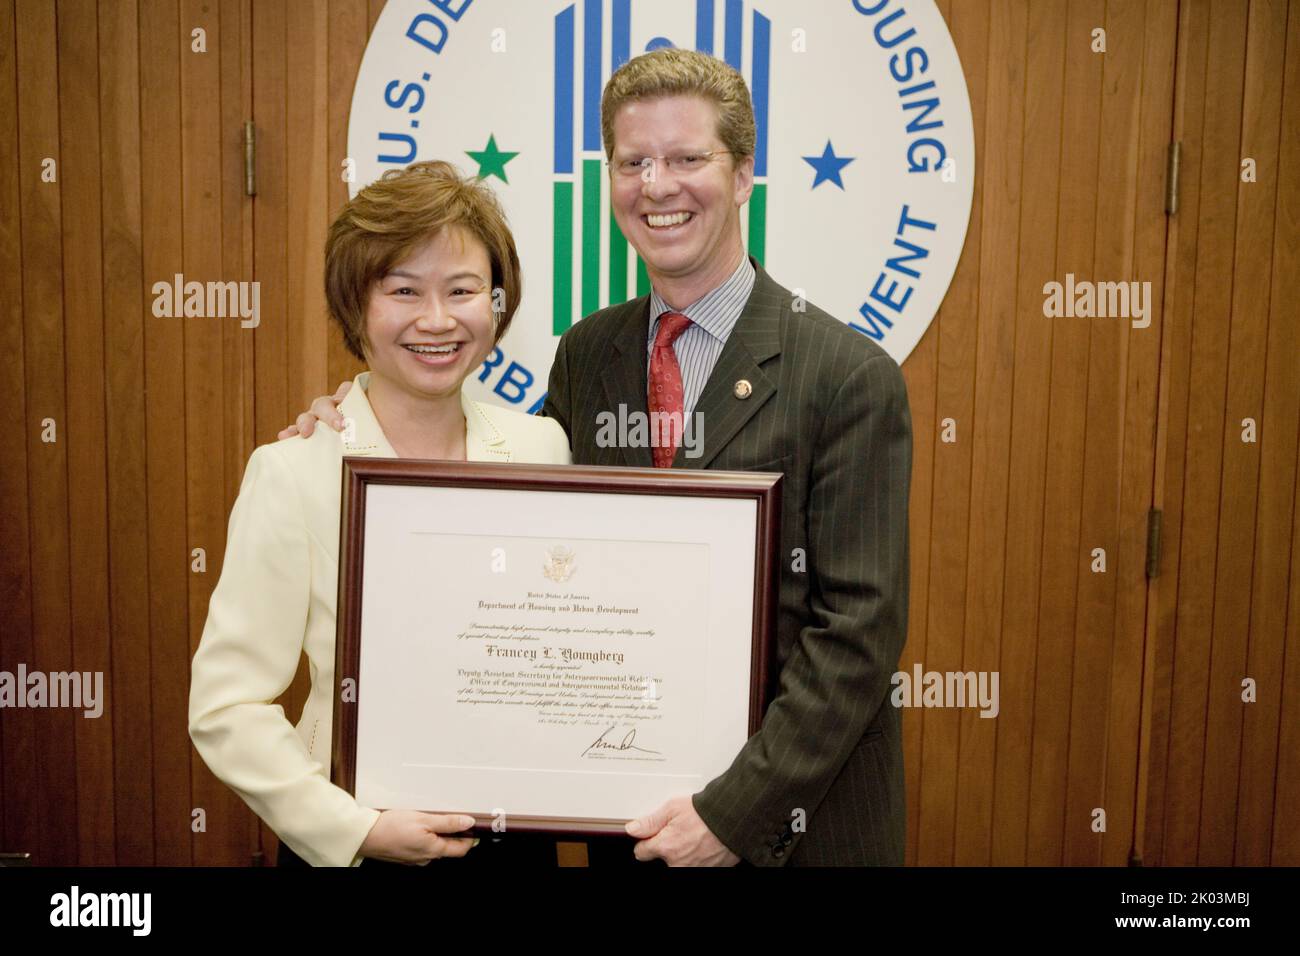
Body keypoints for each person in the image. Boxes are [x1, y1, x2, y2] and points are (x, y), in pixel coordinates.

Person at [286, 48, 912, 867]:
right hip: (633, 831)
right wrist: (361, 411)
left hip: (793, 834)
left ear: (744, 175)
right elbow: (490, 484)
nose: (658, 185)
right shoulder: (590, 354)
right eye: (633, 162)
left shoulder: (848, 376)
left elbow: (858, 634)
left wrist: (731, 815)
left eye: (688, 158)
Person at [189, 161, 571, 868]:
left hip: (516, 835)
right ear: (354, 306)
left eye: (462, 291)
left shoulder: (541, 448)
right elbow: (225, 705)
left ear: (496, 304)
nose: (437, 319)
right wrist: (353, 829)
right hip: (357, 838)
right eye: (403, 290)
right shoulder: (294, 471)